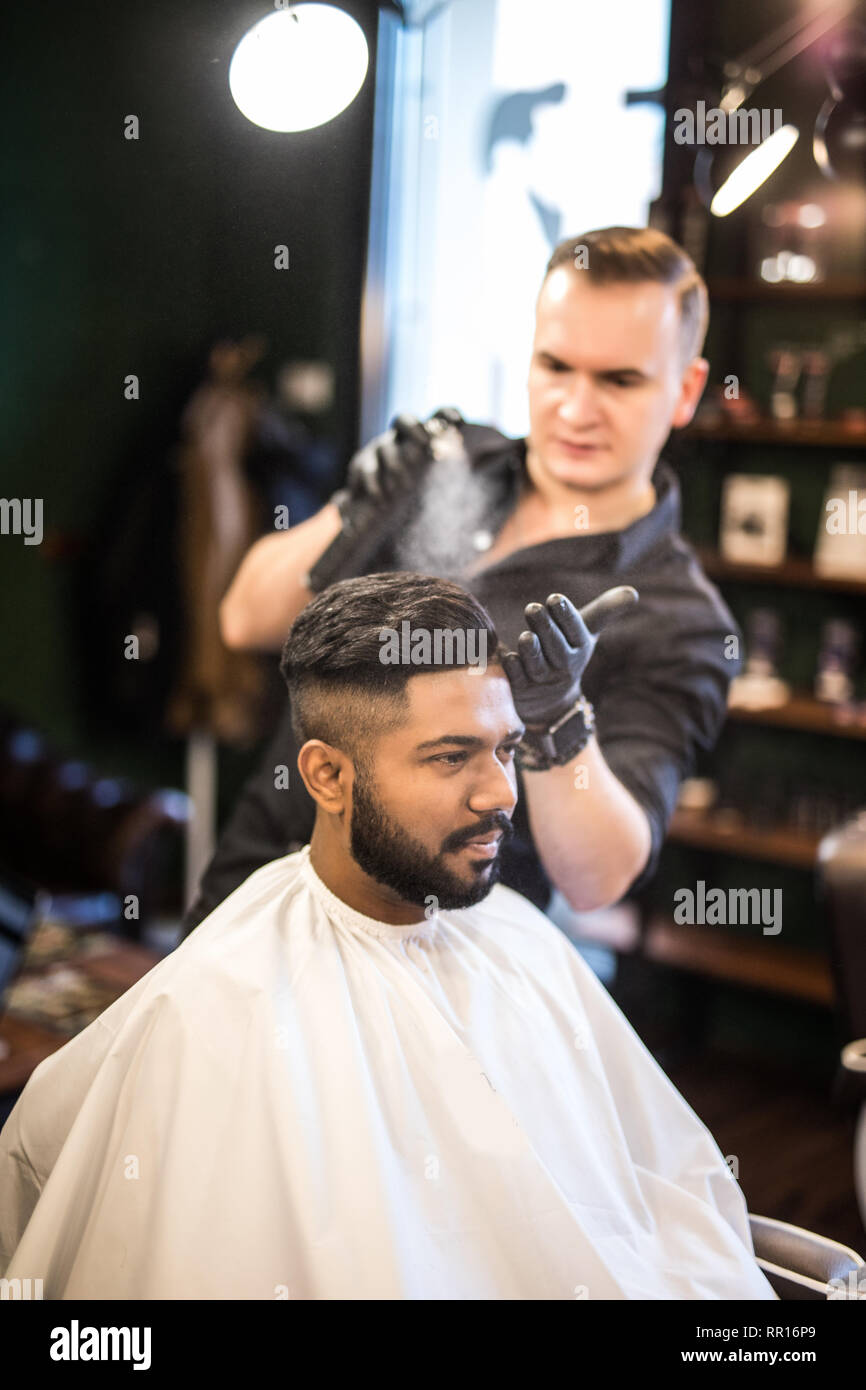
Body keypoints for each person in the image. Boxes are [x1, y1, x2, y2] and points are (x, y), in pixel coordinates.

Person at [0, 575, 775, 1300]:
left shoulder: (516, 934)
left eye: (506, 747)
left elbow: (660, 1199)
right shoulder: (217, 1003)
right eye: (451, 758)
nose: (503, 793)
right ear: (328, 777)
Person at [183, 225, 741, 931]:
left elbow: (600, 876)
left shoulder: (681, 619)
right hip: (256, 884)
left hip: (431, 958)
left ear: (687, 388)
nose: (575, 407)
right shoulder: (445, 462)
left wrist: (556, 719)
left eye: (619, 380)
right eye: (556, 366)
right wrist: (356, 516)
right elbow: (245, 618)